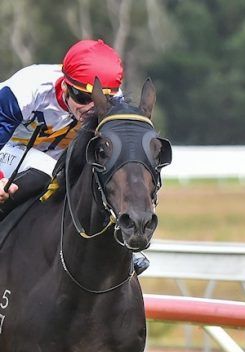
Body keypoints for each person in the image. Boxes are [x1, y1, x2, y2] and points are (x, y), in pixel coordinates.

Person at [0, 39, 149, 274]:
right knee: (45, 169)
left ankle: (119, 247)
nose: (91, 107)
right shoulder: (27, 89)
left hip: (53, 155)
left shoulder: (114, 100)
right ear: (64, 85)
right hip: (7, 148)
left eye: (101, 99)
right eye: (81, 97)